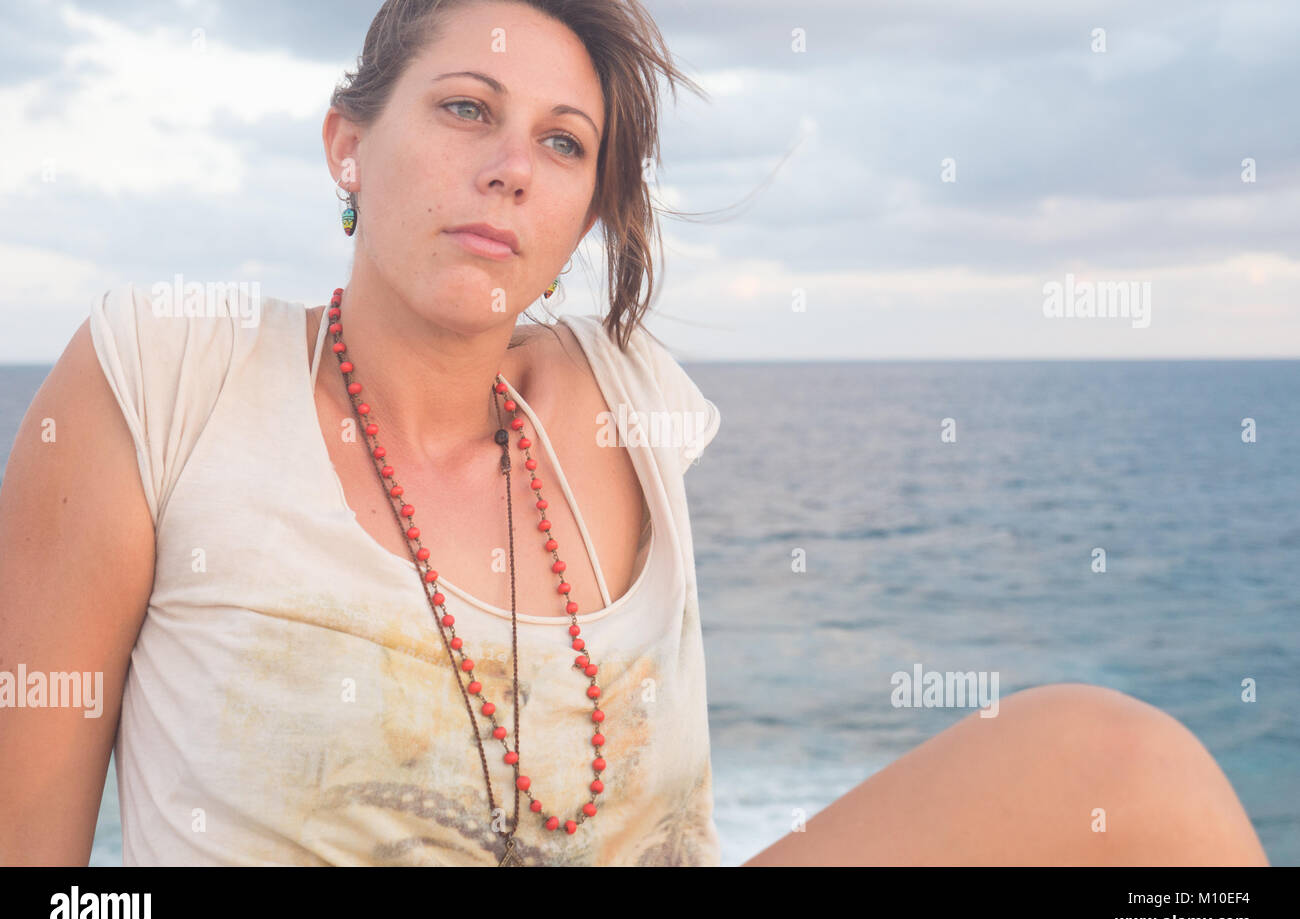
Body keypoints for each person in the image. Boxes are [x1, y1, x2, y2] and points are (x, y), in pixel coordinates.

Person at [0, 0, 1269, 867]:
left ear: (580, 211)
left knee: (1123, 763)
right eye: (462, 110)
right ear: (347, 144)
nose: (511, 167)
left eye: (563, 144)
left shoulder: (623, 401)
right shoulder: (166, 375)